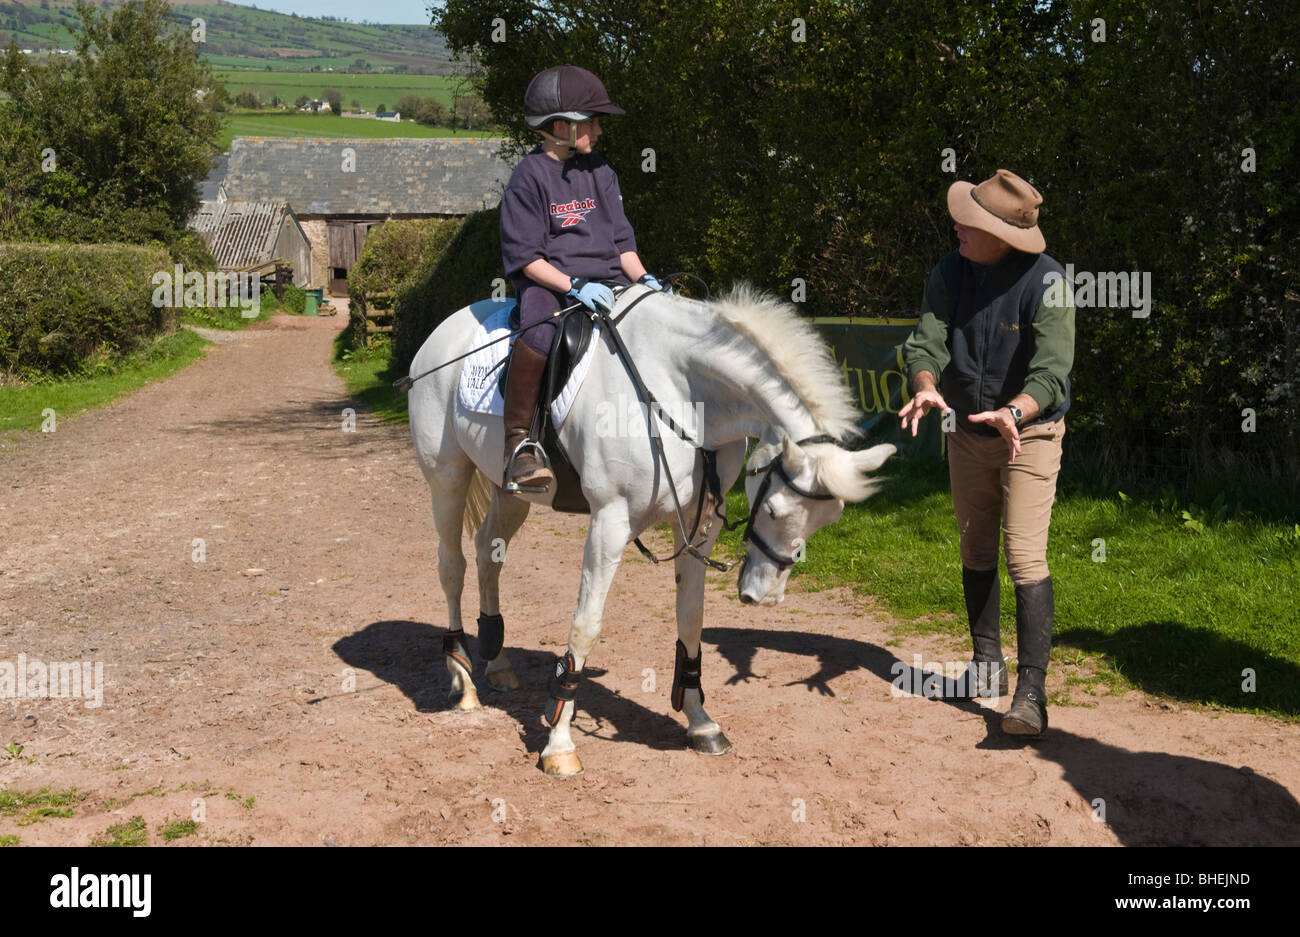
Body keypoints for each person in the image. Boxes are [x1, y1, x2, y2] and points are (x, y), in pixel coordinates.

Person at [898, 169, 1075, 737]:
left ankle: (1031, 695)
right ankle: (985, 667)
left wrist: (1015, 411)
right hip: (966, 435)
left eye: (969, 222)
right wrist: (926, 384)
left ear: (1002, 235)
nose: (957, 227)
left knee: (1023, 555)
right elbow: (925, 341)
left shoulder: (1050, 284)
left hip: (1030, 434)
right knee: (975, 547)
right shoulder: (950, 270)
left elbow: (1052, 373)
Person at [498, 64, 666, 492]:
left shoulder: (602, 173)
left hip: (610, 281)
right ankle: (519, 446)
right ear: (561, 127)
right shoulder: (528, 178)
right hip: (549, 285)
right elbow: (527, 258)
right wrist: (573, 287)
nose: (599, 130)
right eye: (591, 122)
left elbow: (623, 245)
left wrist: (646, 281)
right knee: (537, 335)